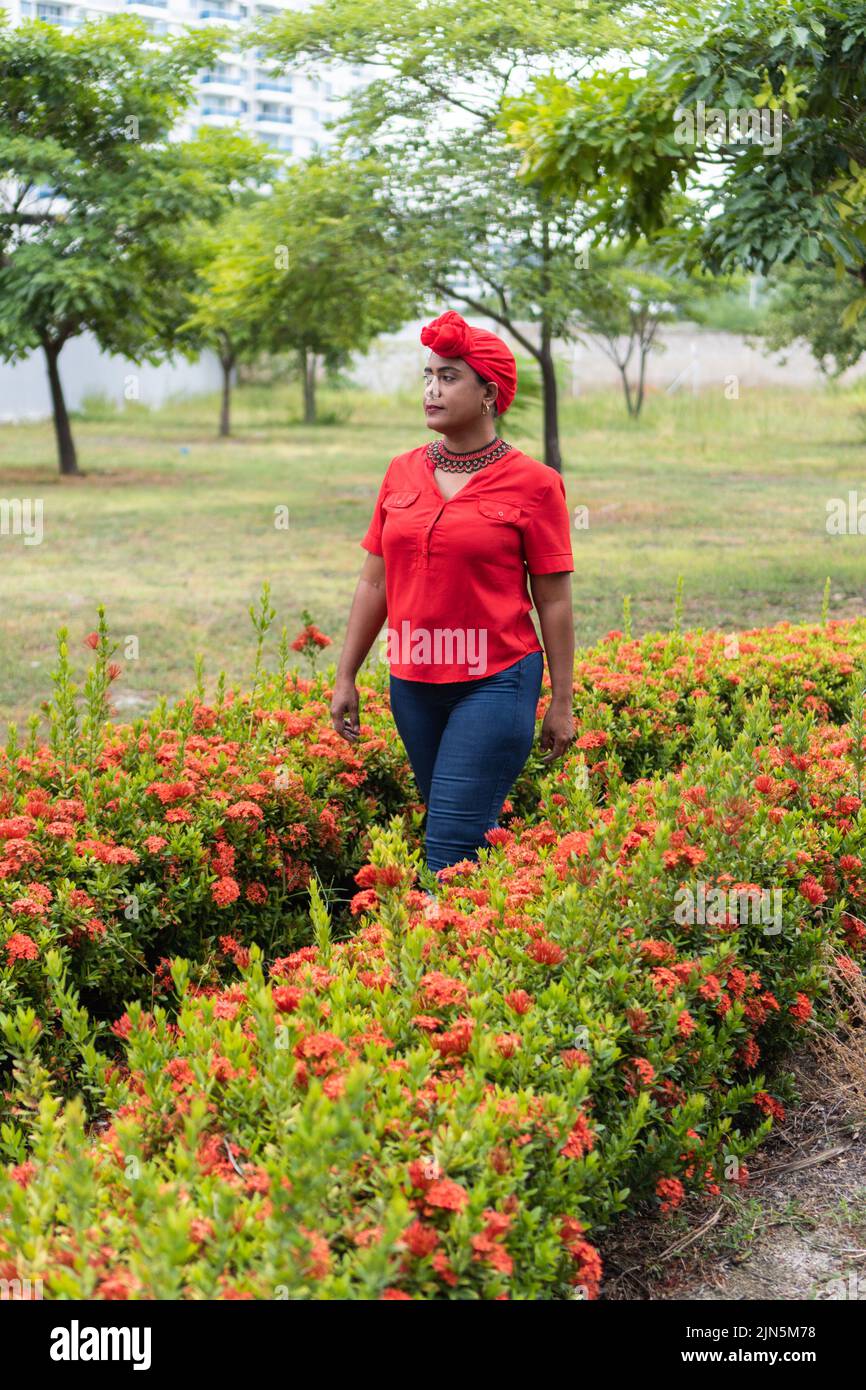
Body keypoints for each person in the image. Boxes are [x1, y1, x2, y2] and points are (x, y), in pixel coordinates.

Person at [331, 308, 575, 888]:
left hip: (496, 679)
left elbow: (556, 601)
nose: (431, 389)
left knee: (445, 851)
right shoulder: (400, 472)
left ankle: (430, 968)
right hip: (413, 684)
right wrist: (347, 675)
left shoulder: (536, 484)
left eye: (448, 377)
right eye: (428, 375)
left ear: (489, 394)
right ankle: (504, 936)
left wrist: (562, 699)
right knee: (461, 835)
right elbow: (375, 580)